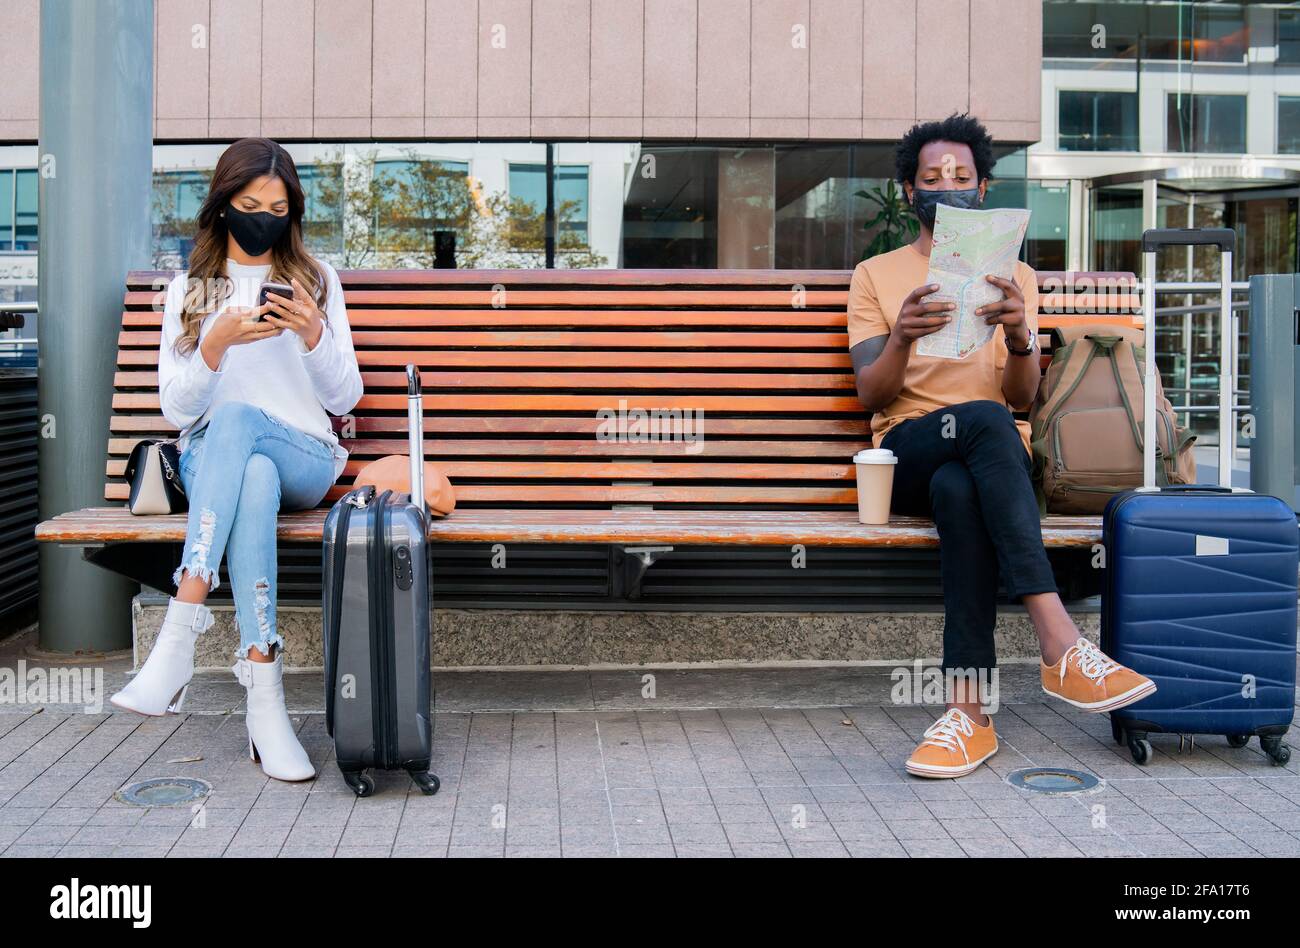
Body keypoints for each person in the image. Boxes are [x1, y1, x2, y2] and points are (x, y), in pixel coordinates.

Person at [849, 114, 1155, 779]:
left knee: (966, 482)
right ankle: (1061, 644)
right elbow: (871, 395)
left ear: (983, 186)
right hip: (909, 449)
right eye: (931, 177)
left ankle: (969, 716)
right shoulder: (875, 275)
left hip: (985, 461)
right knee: (981, 422)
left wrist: (1020, 335)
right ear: (909, 192)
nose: (946, 185)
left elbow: (1024, 398)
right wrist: (902, 336)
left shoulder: (1013, 274)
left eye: (960, 175)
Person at [111, 138, 363, 782]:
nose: (263, 217)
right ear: (224, 207)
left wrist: (312, 335)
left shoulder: (315, 280)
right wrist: (215, 345)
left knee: (243, 421)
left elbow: (346, 397)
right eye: (249, 204)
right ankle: (266, 706)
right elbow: (177, 409)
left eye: (277, 207)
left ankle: (181, 630)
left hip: (305, 456)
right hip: (219, 464)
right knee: (247, 464)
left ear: (293, 211)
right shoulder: (193, 289)